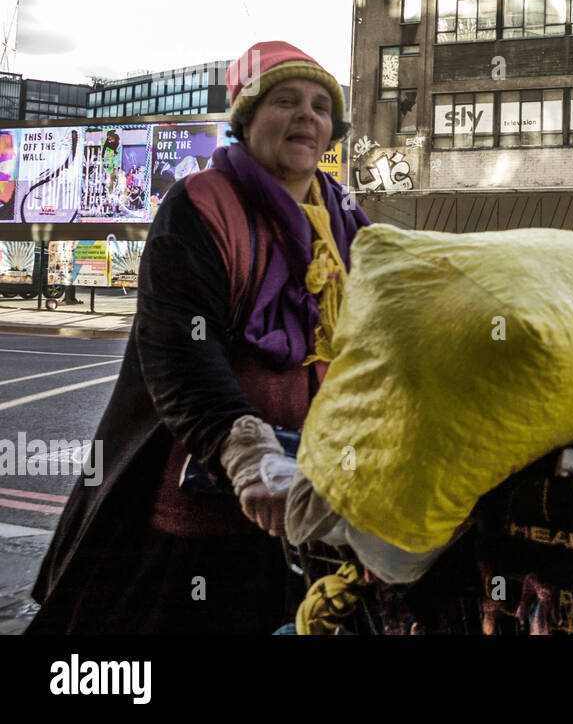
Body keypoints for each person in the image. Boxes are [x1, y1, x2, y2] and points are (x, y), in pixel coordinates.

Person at [28, 40, 369, 634]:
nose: (307, 117)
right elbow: (181, 350)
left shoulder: (346, 218)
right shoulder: (201, 206)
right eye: (286, 100)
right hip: (202, 490)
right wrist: (247, 452)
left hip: (310, 493)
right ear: (247, 120)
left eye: (320, 106)